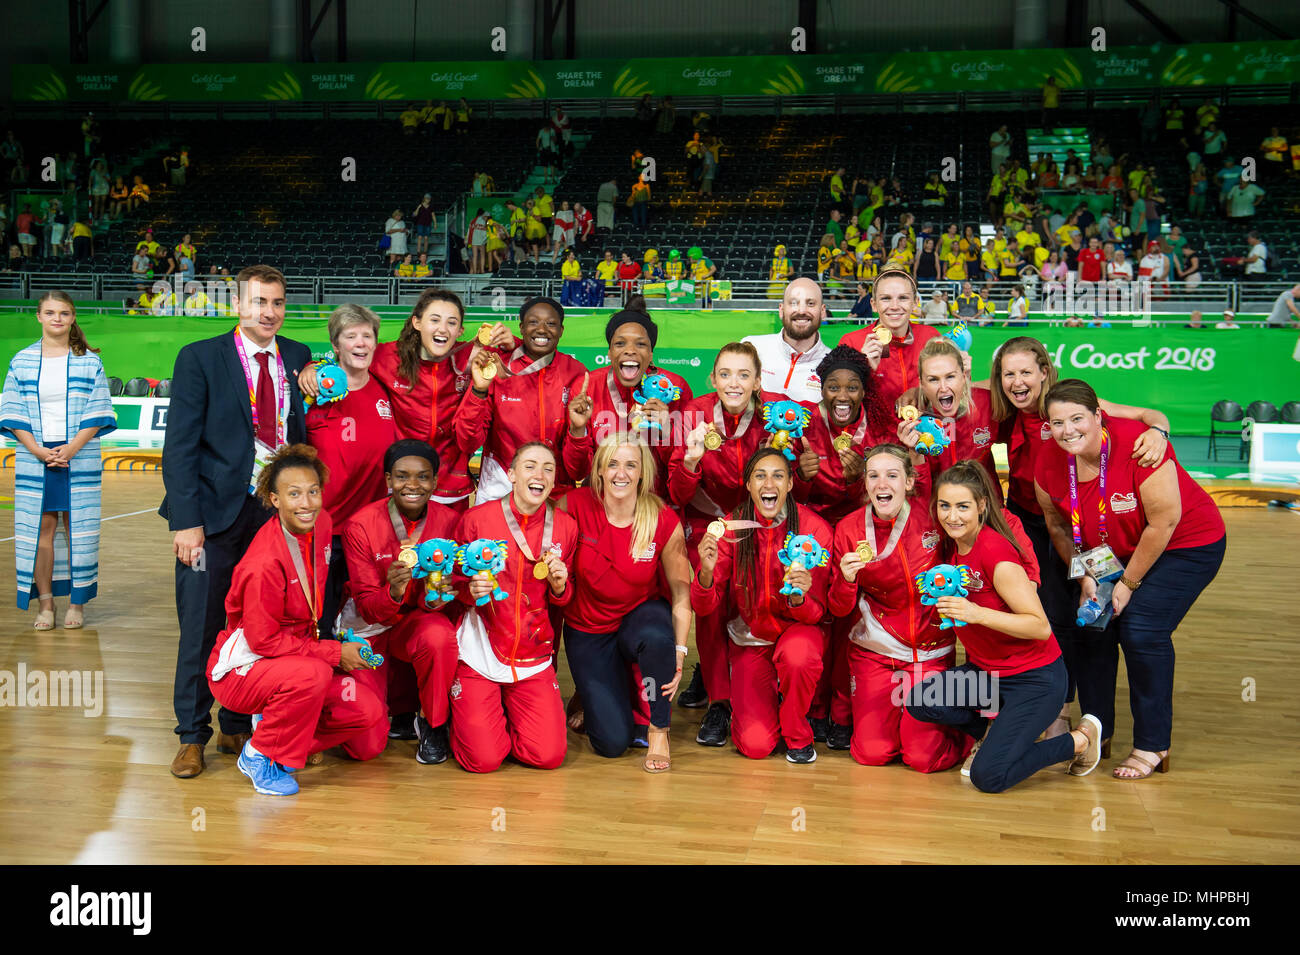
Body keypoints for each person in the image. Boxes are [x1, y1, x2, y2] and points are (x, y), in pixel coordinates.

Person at [160, 265, 313, 779]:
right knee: (201, 626)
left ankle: (236, 723)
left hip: (270, 515)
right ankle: (190, 735)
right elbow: (179, 446)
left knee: (259, 625)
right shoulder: (200, 357)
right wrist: (187, 521)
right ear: (238, 305)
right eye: (258, 302)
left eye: (277, 302)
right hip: (213, 515)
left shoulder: (296, 357)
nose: (268, 312)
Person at [1035, 380, 1226, 779]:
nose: (1067, 430)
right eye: (1057, 423)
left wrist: (1127, 585)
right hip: (1110, 552)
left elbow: (1164, 521)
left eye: (1076, 419)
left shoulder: (1139, 445)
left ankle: (1154, 744)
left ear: (1097, 416)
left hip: (1184, 543)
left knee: (1141, 630)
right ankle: (1097, 733)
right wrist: (1084, 577)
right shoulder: (1048, 461)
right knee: (1092, 625)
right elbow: (1057, 526)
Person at [987, 337, 1170, 737]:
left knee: (1086, 614)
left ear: (1045, 372)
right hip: (1030, 526)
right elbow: (969, 388)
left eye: (1026, 373)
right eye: (1008, 374)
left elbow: (1146, 413)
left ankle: (1083, 716)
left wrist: (1159, 431)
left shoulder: (1071, 406)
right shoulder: (1004, 410)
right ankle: (1055, 706)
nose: (1017, 382)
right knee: (1047, 613)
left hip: (1081, 526)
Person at [905, 460, 1104, 792]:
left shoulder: (997, 554)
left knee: (989, 777)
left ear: (982, 506)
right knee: (922, 700)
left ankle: (1079, 741)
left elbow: (1039, 626)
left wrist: (976, 613)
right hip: (989, 675)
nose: (952, 516)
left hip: (1034, 681)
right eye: (945, 506)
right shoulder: (954, 548)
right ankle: (991, 734)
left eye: (963, 506)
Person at [205, 445, 387, 796]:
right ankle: (259, 754)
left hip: (296, 655)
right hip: (245, 668)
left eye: (313, 491)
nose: (306, 503)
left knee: (367, 710)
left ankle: (279, 741)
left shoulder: (323, 523)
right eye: (293, 494)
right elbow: (263, 642)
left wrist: (339, 640)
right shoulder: (263, 564)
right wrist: (333, 653)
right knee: (314, 674)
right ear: (274, 499)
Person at [828, 442, 973, 767]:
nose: (882, 484)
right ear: (864, 482)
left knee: (922, 758)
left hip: (930, 655)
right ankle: (893, 718)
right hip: (874, 655)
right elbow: (838, 609)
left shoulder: (934, 519)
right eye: (874, 475)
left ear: (908, 482)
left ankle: (973, 729)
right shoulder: (849, 529)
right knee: (872, 754)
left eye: (892, 475)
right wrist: (845, 580)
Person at [692, 447, 833, 763]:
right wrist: (705, 571)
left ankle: (796, 729)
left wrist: (799, 597)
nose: (769, 484)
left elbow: (816, 614)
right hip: (750, 640)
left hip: (797, 633)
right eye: (760, 476)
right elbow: (704, 608)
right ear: (748, 485)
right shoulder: (731, 529)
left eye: (778, 476)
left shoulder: (815, 530)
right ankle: (764, 702)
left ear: (790, 485)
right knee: (755, 746)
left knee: (799, 658)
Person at [559, 436, 692, 771]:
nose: (621, 472)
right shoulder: (572, 505)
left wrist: (679, 653)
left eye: (631, 464)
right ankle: (590, 695)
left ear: (642, 473)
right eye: (613, 464)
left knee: (658, 639)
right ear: (599, 471)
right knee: (611, 743)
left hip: (638, 619)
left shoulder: (661, 518)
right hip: (589, 629)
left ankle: (658, 729)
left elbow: (680, 595)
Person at [668, 342, 777, 738]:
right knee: (709, 606)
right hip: (705, 525)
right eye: (726, 375)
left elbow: (791, 475)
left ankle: (760, 684)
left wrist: (793, 451)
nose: (734, 383)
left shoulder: (775, 415)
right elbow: (678, 494)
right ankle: (719, 700)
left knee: (752, 598)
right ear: (712, 379)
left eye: (744, 375)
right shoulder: (691, 415)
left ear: (758, 381)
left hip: (753, 525)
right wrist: (692, 459)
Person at [449, 443, 578, 773]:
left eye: (548, 469)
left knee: (548, 756)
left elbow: (563, 600)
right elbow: (454, 584)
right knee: (484, 760)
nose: (540, 475)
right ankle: (472, 717)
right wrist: (469, 589)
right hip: (482, 652)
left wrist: (561, 586)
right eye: (530, 466)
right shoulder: (476, 519)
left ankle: (501, 714)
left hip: (533, 653)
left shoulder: (565, 526)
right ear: (511, 475)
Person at [304, 288, 491, 513]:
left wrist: (510, 343)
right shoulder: (387, 357)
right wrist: (312, 368)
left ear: (460, 330)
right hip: (403, 485)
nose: (442, 328)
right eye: (434, 319)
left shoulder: (471, 359)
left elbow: (524, 352)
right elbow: (346, 360)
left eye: (451, 323)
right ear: (417, 322)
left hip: (450, 488)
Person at [339, 439, 461, 763]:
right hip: (370, 628)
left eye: (423, 477)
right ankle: (384, 711)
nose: (413, 485)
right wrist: (393, 592)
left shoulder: (450, 522)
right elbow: (366, 605)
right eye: (402, 476)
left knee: (439, 636)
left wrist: (439, 597)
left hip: (417, 622)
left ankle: (434, 723)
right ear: (388, 480)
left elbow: (449, 600)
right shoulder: (360, 525)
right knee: (365, 747)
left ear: (435, 482)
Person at [1, 291, 115, 630]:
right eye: (50, 312)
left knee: (79, 530)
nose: (57, 319)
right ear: (38, 316)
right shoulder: (20, 361)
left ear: (73, 317)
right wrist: (36, 449)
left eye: (64, 313)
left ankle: (77, 604)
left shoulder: (89, 362)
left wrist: (73, 448)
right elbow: (12, 410)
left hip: (77, 456)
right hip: (36, 457)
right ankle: (46, 604)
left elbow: (99, 410)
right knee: (41, 532)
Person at [304, 304, 399, 638]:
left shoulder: (387, 389)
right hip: (322, 530)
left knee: (365, 620)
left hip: (370, 532)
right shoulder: (313, 391)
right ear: (336, 345)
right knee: (319, 619)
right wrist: (311, 369)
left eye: (367, 335)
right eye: (351, 336)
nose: (360, 343)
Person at [455, 297, 590, 501]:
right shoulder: (498, 367)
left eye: (551, 324)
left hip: (554, 492)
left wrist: (578, 431)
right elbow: (468, 442)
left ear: (561, 330)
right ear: (522, 327)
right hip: (500, 486)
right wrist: (479, 392)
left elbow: (578, 470)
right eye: (533, 322)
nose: (542, 329)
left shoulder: (575, 372)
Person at [562, 309, 692, 499]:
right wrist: (577, 431)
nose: (630, 350)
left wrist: (666, 432)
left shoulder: (673, 388)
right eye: (620, 343)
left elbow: (681, 474)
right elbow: (577, 472)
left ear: (650, 354)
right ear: (609, 352)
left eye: (640, 344)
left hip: (655, 505)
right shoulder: (588, 389)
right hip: (603, 505)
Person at [901, 337, 1001, 500]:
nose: (943, 387)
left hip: (986, 507)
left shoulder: (988, 404)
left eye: (950, 377)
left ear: (963, 376)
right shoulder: (912, 422)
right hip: (938, 511)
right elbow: (916, 491)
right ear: (921, 383)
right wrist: (914, 453)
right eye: (933, 379)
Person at [839, 268, 941, 411]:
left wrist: (922, 393)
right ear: (874, 304)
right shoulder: (851, 342)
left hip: (923, 431)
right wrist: (862, 369)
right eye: (886, 298)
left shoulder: (931, 337)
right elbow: (839, 406)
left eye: (903, 298)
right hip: (871, 432)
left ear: (915, 302)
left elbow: (947, 392)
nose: (894, 306)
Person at [742, 277, 831, 405]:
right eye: (793, 303)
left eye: (810, 303)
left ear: (822, 312)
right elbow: (720, 402)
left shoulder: (833, 364)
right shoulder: (752, 347)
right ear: (781, 310)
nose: (801, 311)